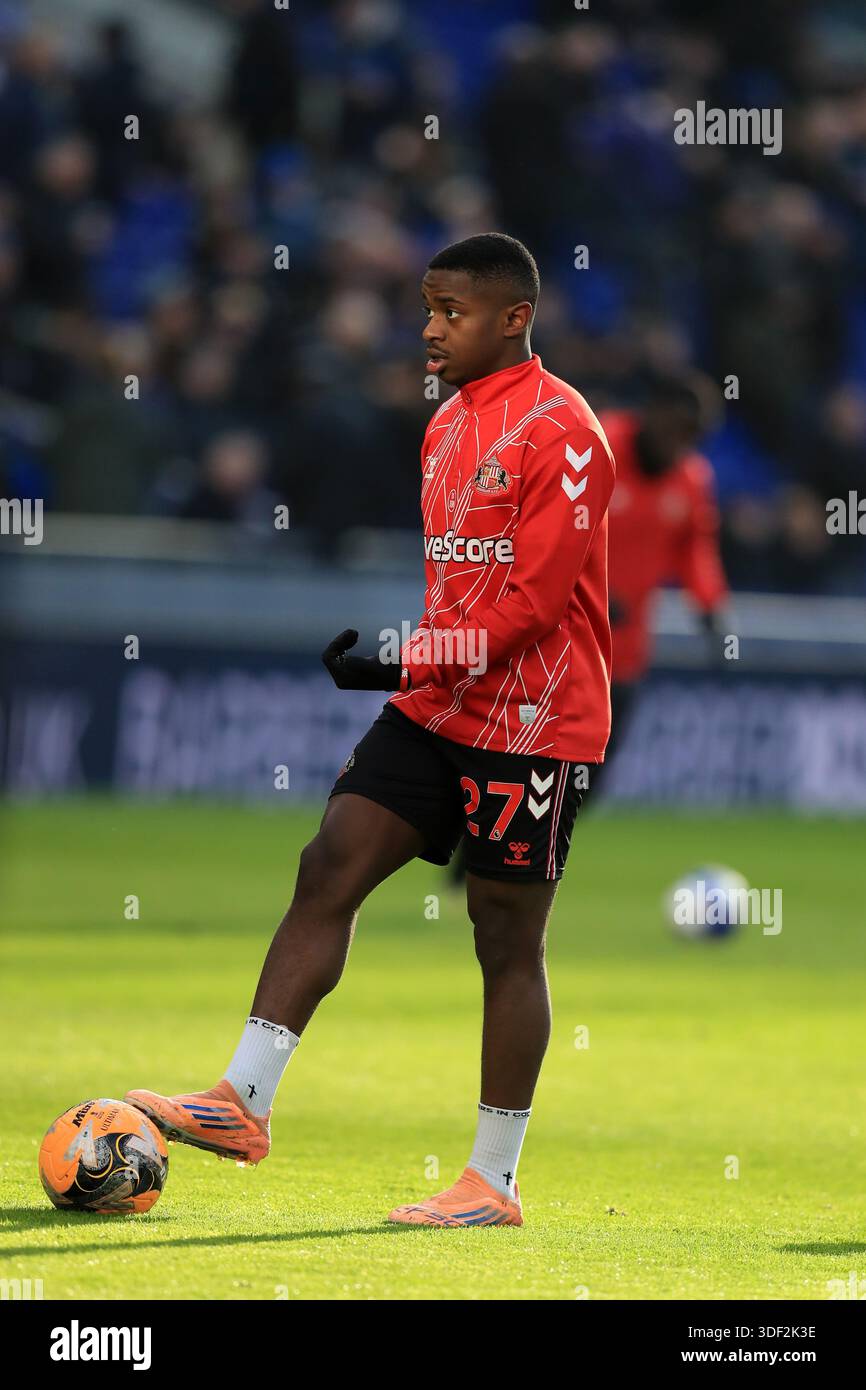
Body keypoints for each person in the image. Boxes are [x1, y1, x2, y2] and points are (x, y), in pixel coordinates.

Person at [124, 233, 616, 1227]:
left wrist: (400, 660)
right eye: (427, 308)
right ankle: (241, 1099)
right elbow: (459, 583)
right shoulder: (443, 426)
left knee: (503, 937)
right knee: (330, 860)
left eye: (452, 311)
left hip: (534, 717)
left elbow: (528, 605)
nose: (430, 328)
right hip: (439, 702)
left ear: (513, 318)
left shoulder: (563, 430)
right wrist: (417, 667)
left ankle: (491, 1179)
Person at [592, 378, 729, 799]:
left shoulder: (690, 481)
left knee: (587, 778)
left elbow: (694, 549)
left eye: (690, 437)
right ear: (651, 415)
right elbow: (550, 527)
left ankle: (522, 858)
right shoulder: (598, 447)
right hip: (557, 639)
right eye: (676, 431)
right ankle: (479, 853)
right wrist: (588, 593)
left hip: (624, 654)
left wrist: (710, 608)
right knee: (527, 760)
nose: (680, 445)